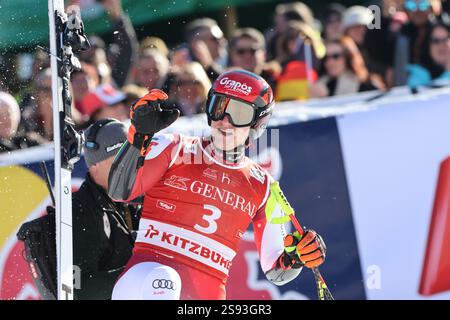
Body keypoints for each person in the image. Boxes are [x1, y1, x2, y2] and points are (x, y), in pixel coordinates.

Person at [107, 70, 327, 300]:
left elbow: (276, 271)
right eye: (219, 106)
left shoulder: (264, 186)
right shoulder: (174, 148)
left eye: (239, 112)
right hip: (144, 280)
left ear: (258, 122)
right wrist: (138, 137)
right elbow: (118, 191)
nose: (224, 120)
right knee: (165, 280)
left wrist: (296, 257)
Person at [17, 119, 140, 300]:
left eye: (133, 159)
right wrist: (139, 275)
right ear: (94, 165)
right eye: (120, 161)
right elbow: (79, 290)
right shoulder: (81, 211)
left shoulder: (131, 203)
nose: (130, 168)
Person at [313, 37, 383, 97]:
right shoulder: (321, 84)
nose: (330, 62)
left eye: (336, 56)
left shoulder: (367, 85)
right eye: (325, 58)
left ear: (348, 57)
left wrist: (326, 97)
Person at [407, 20, 450, 87]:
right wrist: (448, 71)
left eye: (446, 40)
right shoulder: (419, 73)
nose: (441, 46)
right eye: (436, 41)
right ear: (427, 45)